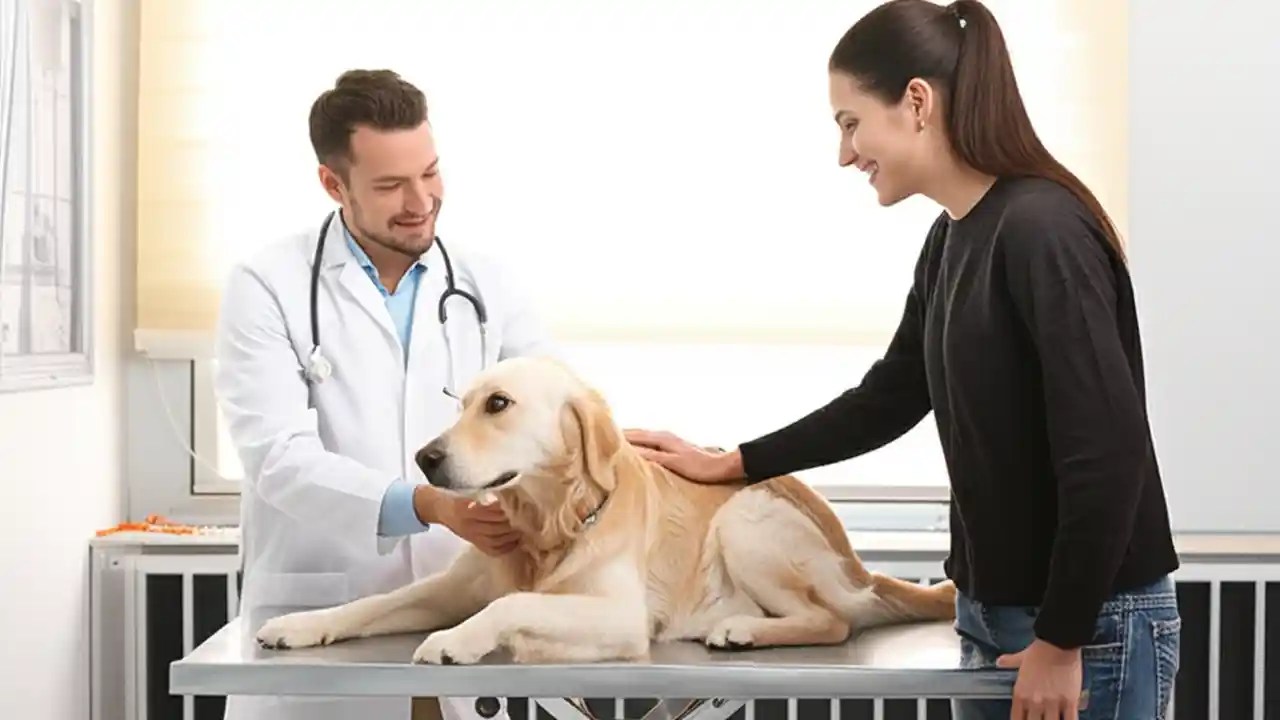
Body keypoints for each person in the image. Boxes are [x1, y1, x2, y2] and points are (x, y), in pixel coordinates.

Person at [625, 1, 1181, 718]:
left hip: (1087, 627)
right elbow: (887, 397)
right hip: (997, 615)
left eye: (850, 122)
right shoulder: (953, 241)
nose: (845, 153)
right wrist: (733, 461)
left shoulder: (1043, 232)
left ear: (916, 101)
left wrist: (1061, 641)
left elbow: (1106, 457)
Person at [214, 69, 555, 720]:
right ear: (333, 184)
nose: (421, 200)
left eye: (430, 173)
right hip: (324, 621)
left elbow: (554, 407)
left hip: (461, 612)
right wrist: (432, 504)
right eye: (392, 185)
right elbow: (278, 459)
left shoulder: (488, 283)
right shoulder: (266, 286)